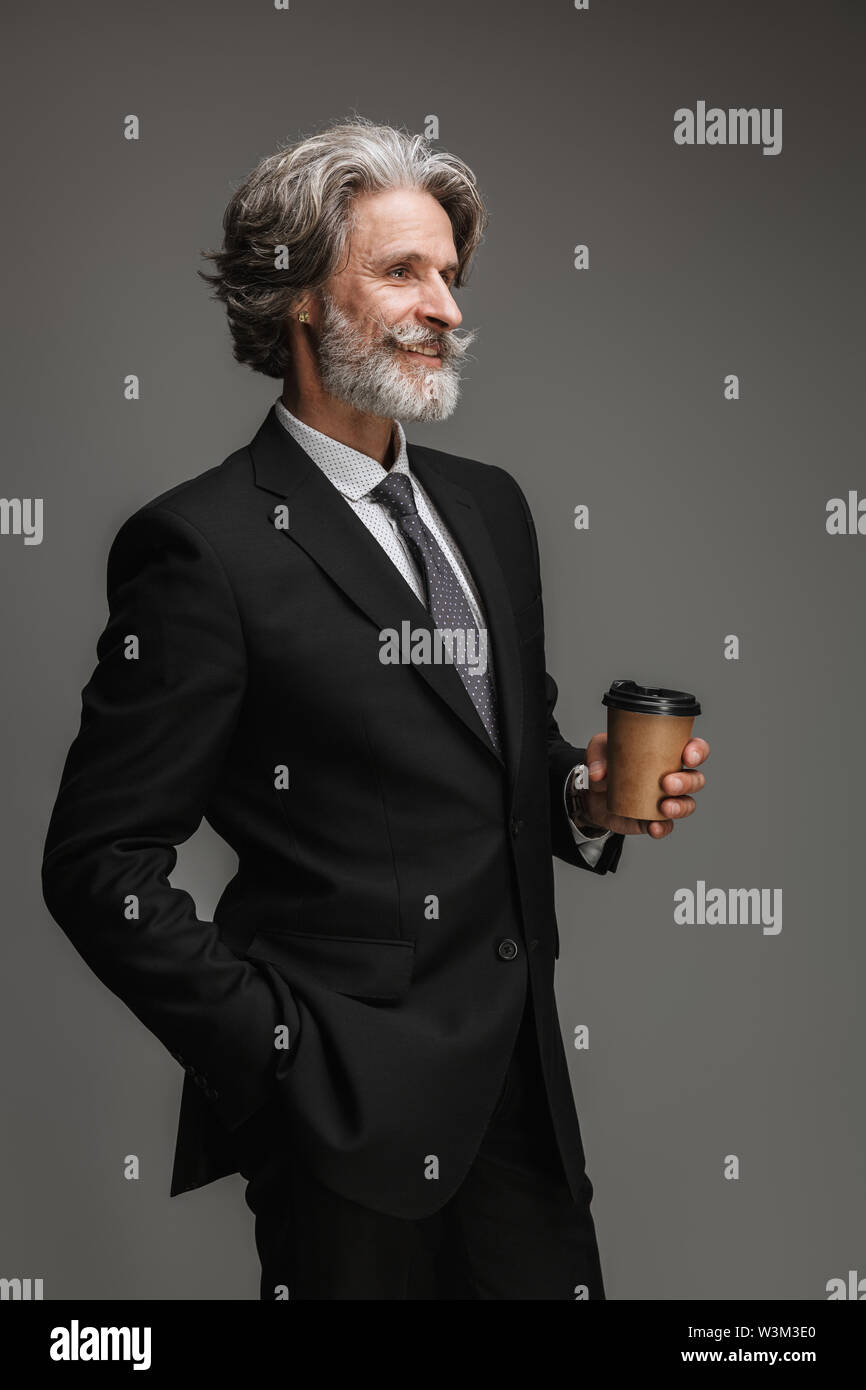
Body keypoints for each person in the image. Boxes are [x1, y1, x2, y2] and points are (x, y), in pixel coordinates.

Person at [41, 118, 709, 1299]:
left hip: (522, 1110)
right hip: (342, 1131)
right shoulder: (202, 546)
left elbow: (500, 760)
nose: (445, 306)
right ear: (300, 294)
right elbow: (99, 863)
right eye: (401, 270)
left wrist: (585, 795)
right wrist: (280, 1051)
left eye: (449, 273)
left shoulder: (492, 509)